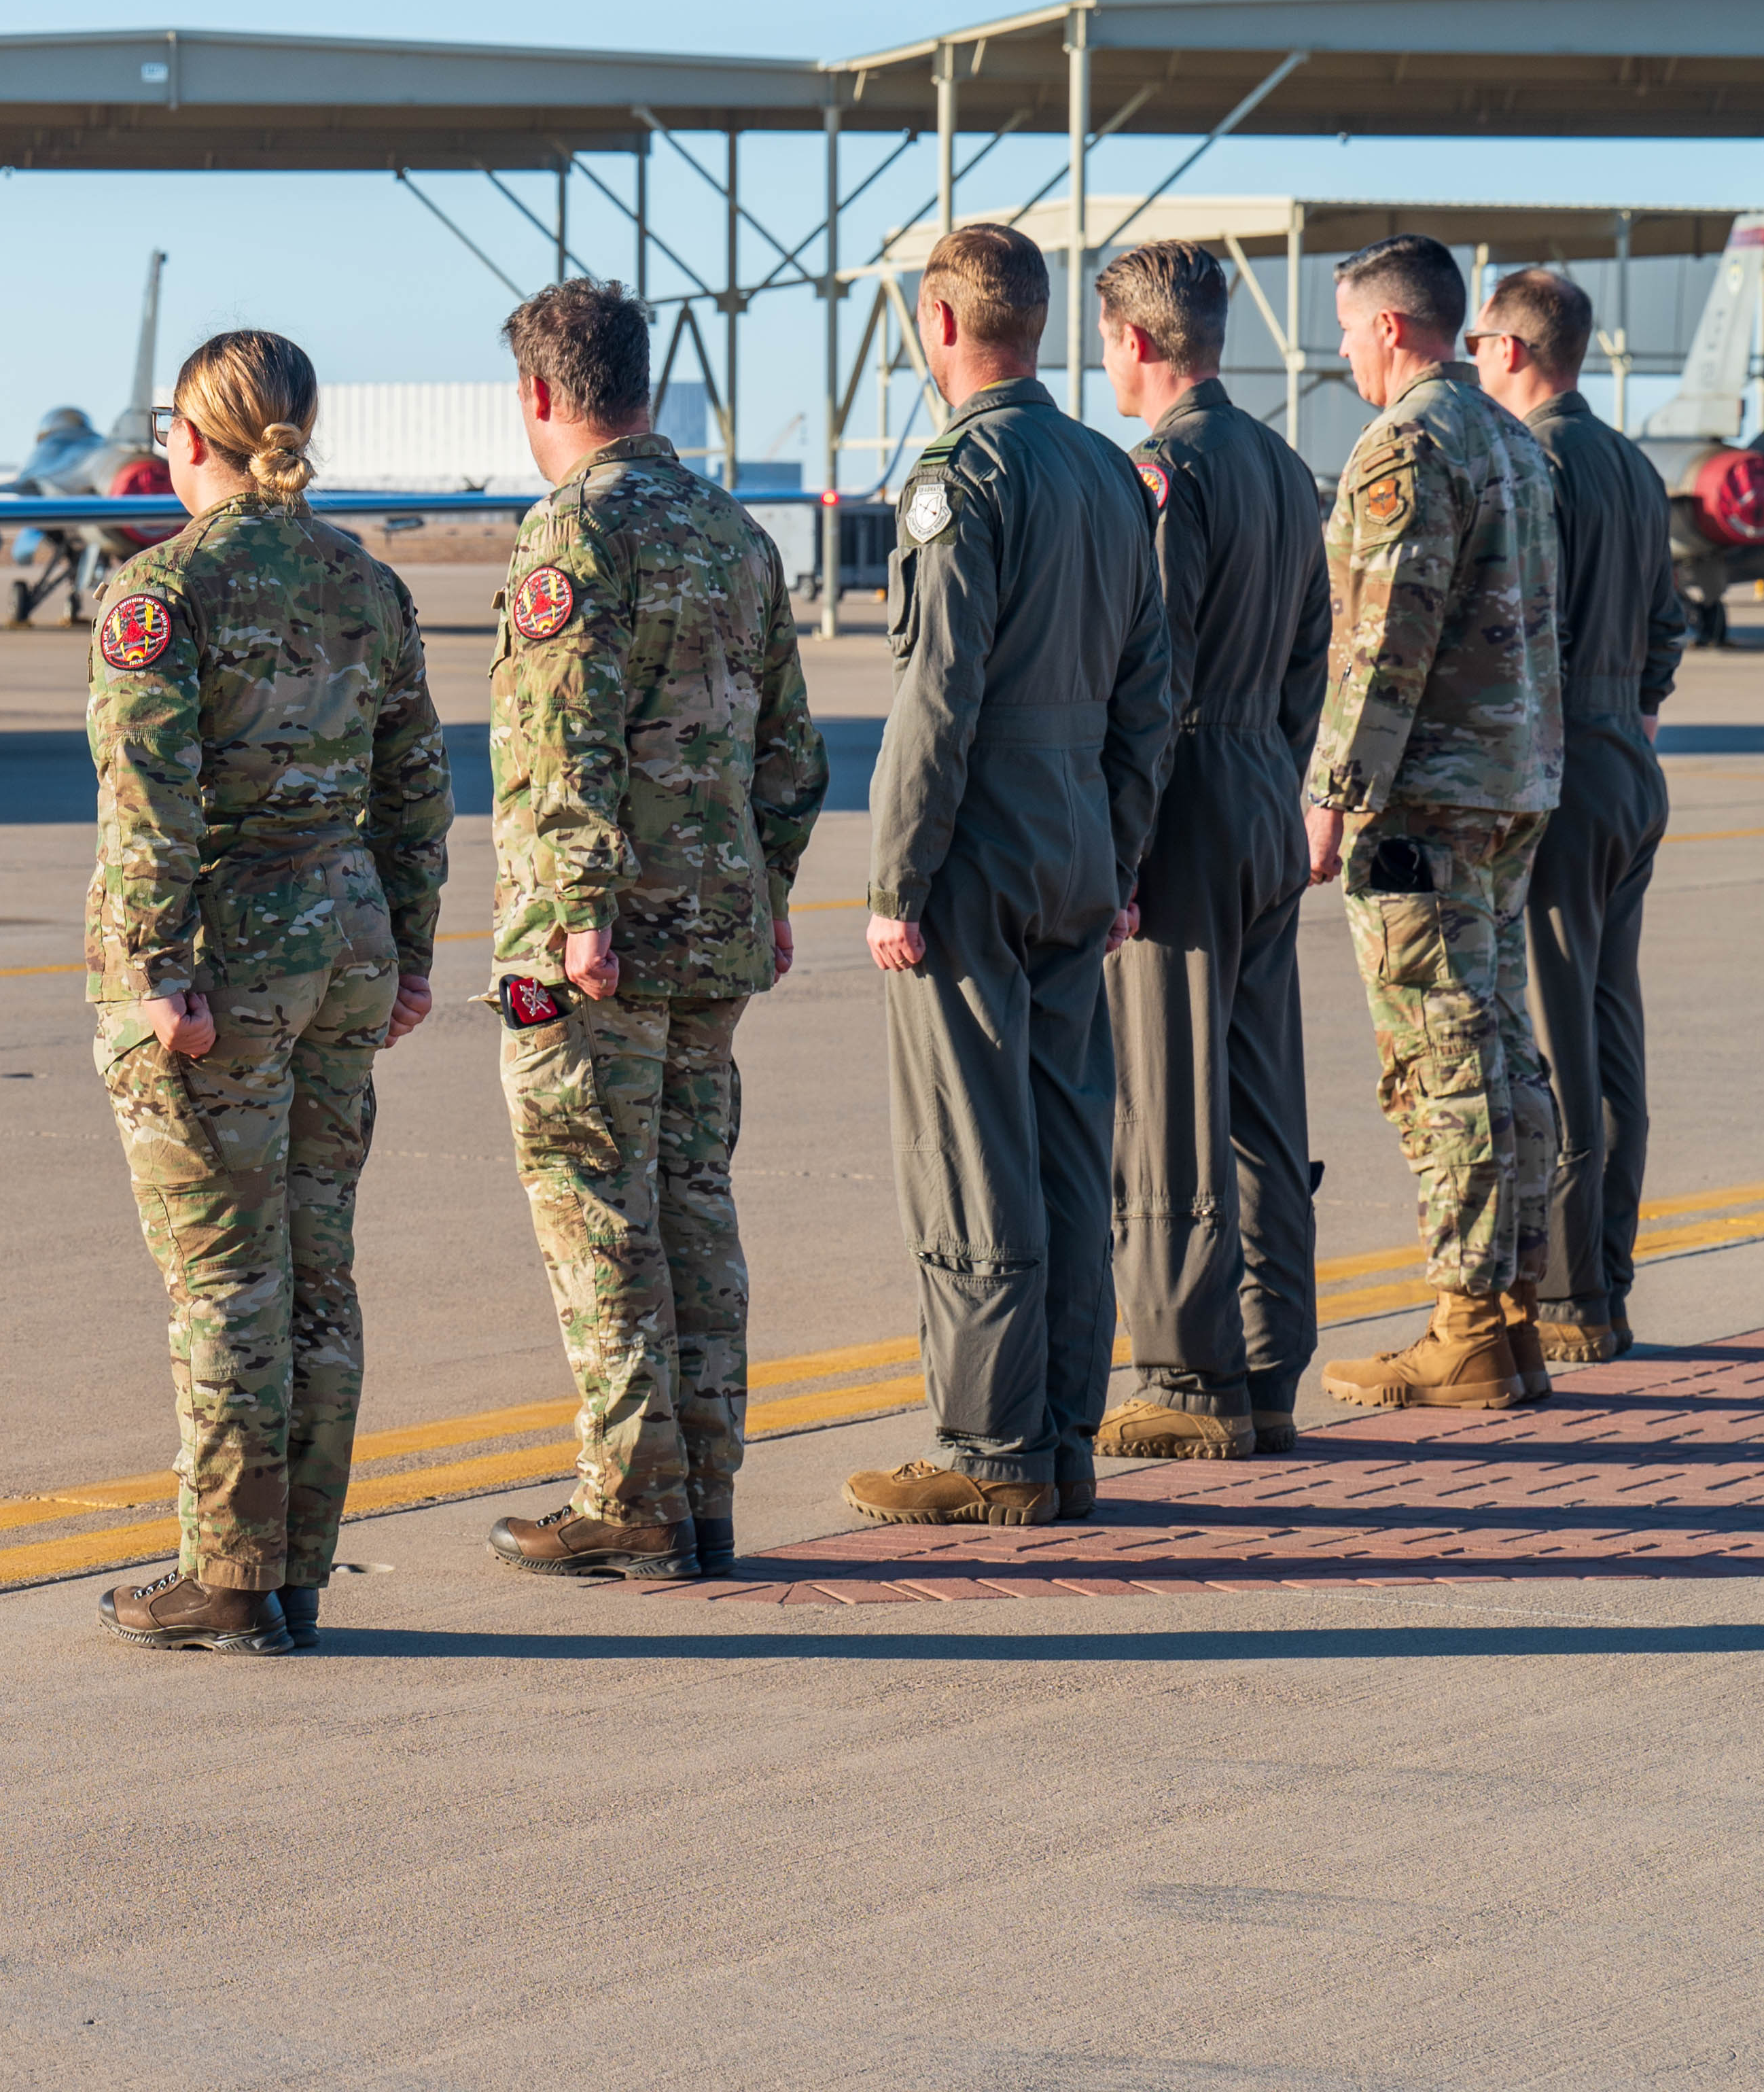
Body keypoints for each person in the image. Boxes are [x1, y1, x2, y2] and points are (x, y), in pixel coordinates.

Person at [88, 330, 448, 1656]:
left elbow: (149, 806)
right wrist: (405, 948)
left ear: (190, 437)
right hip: (342, 940)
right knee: (317, 1271)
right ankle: (291, 1565)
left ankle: (231, 1576)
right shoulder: (367, 582)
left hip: (230, 952)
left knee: (226, 1275)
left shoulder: (165, 591)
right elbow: (416, 781)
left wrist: (154, 971)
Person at [473, 280, 828, 1585]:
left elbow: (560, 750)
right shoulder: (734, 529)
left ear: (542, 397)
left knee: (595, 1208)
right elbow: (793, 753)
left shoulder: (575, 534)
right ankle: (704, 1495)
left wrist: (572, 916)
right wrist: (766, 887)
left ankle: (629, 1494)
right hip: (714, 927)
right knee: (691, 1207)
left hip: (603, 940)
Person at [844, 221, 1172, 1529]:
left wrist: (896, 879)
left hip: (977, 844)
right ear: (1033, 325)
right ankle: (1067, 1435)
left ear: (940, 324)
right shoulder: (1104, 471)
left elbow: (937, 698)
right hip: (1080, 835)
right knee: (1066, 1146)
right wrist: (1120, 846)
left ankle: (991, 1450)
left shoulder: (957, 475)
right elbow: (1151, 695)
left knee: (969, 1149)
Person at [1309, 236, 1568, 1410]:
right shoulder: (1515, 440)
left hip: (1423, 797)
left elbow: (1381, 643)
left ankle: (1464, 1319)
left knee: (1439, 1054)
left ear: (1395, 330)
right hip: (1512, 784)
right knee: (1502, 1042)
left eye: (1351, 332)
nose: (1344, 354)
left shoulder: (1405, 444)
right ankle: (1512, 1308)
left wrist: (1332, 795)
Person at [1093, 241, 1332, 1462]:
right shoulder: (1289, 469)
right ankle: (1272, 1359)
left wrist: (1121, 845)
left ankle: (1190, 1377)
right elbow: (1310, 660)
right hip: (1263, 791)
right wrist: (1280, 781)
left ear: (1135, 341)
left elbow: (1150, 668)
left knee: (1170, 1097)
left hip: (1182, 792)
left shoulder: (1162, 471)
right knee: (1259, 1089)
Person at [1468, 266, 1682, 1363]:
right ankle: (1610, 1273)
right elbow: (1670, 626)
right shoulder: (1636, 467)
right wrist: (1632, 710)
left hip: (1555, 766)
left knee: (1552, 1039)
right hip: (1625, 769)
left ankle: (1572, 1297)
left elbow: (1513, 630)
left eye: (1475, 342)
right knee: (1610, 1029)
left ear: (1509, 349)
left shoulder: (1529, 461)